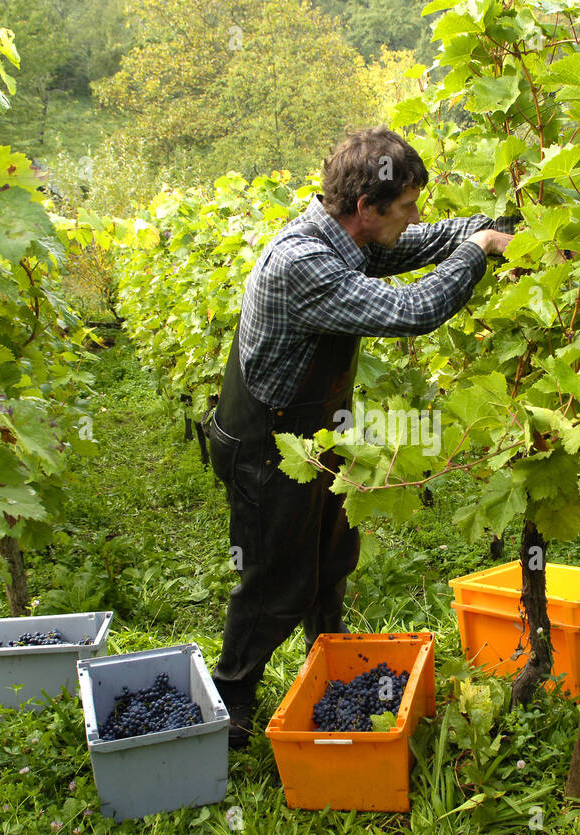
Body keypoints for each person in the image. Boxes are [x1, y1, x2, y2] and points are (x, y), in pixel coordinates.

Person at [206, 126, 517, 747]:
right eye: (405, 207)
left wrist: (505, 228)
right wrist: (480, 250)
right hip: (267, 446)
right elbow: (412, 311)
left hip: (317, 437)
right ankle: (231, 700)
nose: (415, 217)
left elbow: (429, 240)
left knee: (330, 557)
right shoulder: (303, 263)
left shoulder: (352, 237)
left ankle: (330, 663)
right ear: (366, 208)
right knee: (273, 581)